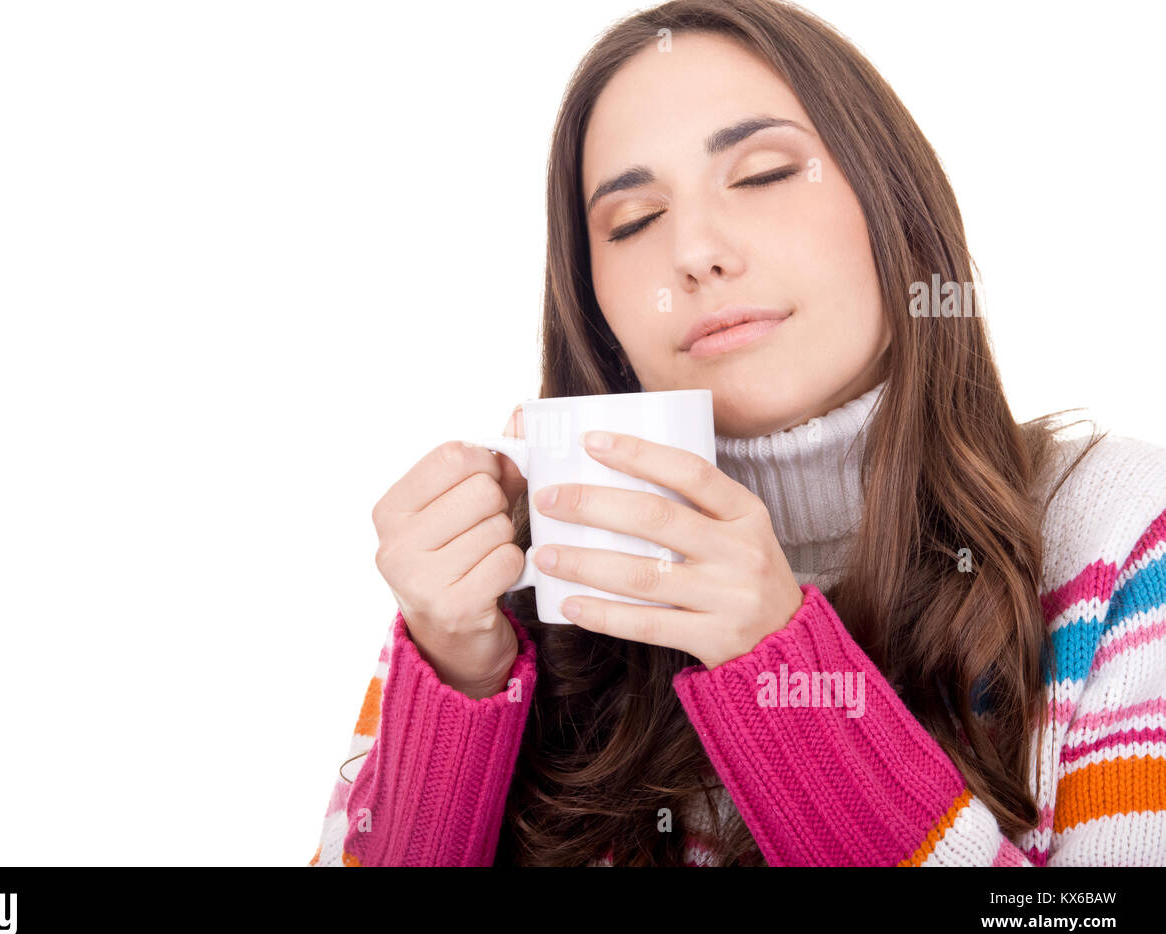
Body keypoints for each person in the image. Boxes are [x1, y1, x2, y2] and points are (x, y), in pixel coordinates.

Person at [310, 0, 1166, 866]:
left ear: (893, 204)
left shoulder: (1123, 538)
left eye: (762, 174)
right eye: (632, 221)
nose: (695, 251)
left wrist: (781, 678)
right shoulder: (509, 591)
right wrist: (455, 687)